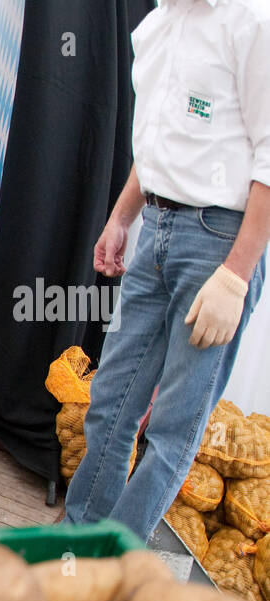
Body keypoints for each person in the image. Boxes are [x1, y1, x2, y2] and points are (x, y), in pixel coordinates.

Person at [65, 0, 270, 543]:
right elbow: (159, 143)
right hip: (155, 224)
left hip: (218, 242)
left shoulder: (252, 20)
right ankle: (75, 545)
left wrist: (236, 275)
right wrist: (120, 218)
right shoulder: (159, 21)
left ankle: (112, 563)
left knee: (174, 429)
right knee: (109, 404)